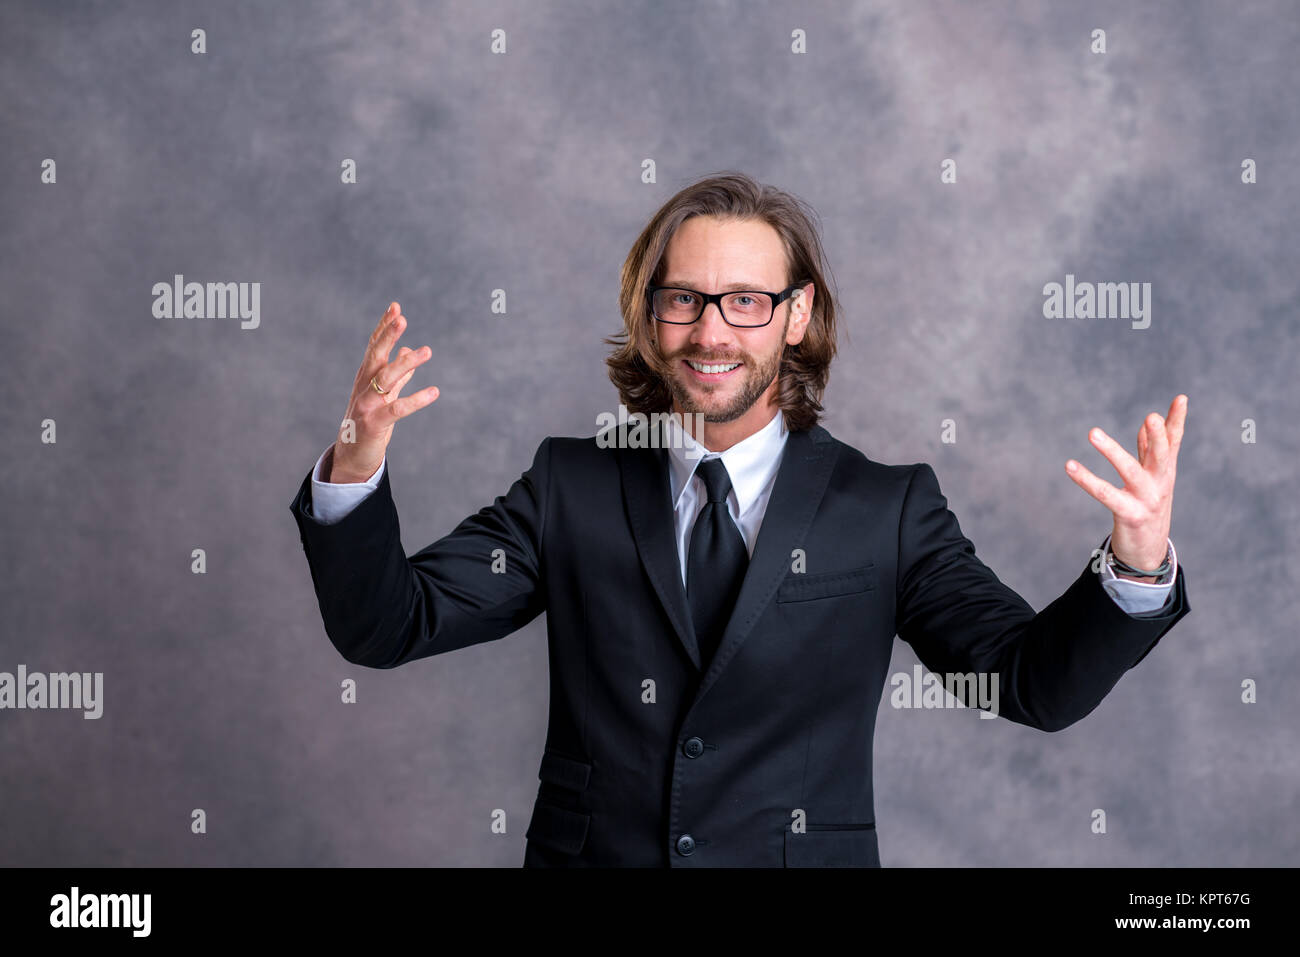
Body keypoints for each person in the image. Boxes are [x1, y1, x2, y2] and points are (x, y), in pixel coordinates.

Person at [288, 171, 1190, 867]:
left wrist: (1137, 565)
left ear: (796, 316)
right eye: (683, 299)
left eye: (746, 302)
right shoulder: (570, 487)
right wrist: (357, 461)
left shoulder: (888, 510)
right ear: (651, 316)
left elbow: (1030, 682)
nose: (711, 332)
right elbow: (386, 626)